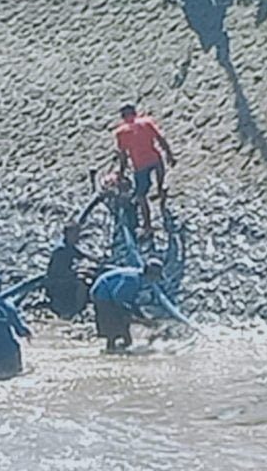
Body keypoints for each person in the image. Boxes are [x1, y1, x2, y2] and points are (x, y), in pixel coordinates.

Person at [114, 104, 177, 235]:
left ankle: (148, 225)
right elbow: (160, 139)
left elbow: (123, 156)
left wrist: (121, 172)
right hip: (155, 159)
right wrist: (169, 154)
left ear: (123, 117)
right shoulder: (147, 122)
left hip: (140, 165)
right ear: (135, 112)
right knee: (160, 183)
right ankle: (162, 199)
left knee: (141, 196)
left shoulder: (121, 132)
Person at [89, 257, 164, 352]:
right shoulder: (132, 280)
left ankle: (120, 346)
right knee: (114, 325)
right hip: (102, 294)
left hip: (109, 296)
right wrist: (135, 316)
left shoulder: (139, 280)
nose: (155, 281)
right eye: (155, 278)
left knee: (123, 323)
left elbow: (132, 302)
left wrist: (143, 317)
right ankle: (111, 348)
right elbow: (117, 296)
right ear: (150, 275)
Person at [44, 222, 98, 319]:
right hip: (57, 281)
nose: (78, 237)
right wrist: (79, 272)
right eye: (75, 234)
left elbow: (81, 254)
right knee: (82, 285)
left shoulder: (70, 246)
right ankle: (76, 311)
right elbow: (59, 272)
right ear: (68, 234)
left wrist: (96, 259)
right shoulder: (61, 250)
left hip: (65, 277)